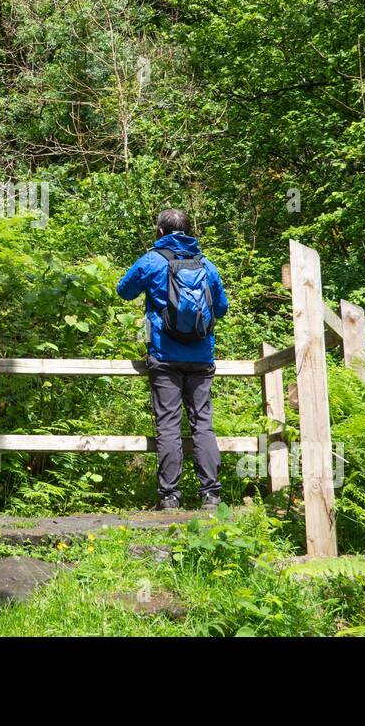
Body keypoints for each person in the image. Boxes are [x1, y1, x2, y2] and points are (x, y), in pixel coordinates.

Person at [116, 209, 230, 510]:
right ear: (189, 231)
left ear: (160, 231)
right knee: (202, 423)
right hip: (201, 358)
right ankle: (211, 495)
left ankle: (169, 497)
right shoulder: (206, 265)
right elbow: (221, 309)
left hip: (165, 357)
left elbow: (124, 291)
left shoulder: (152, 261)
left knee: (168, 425)